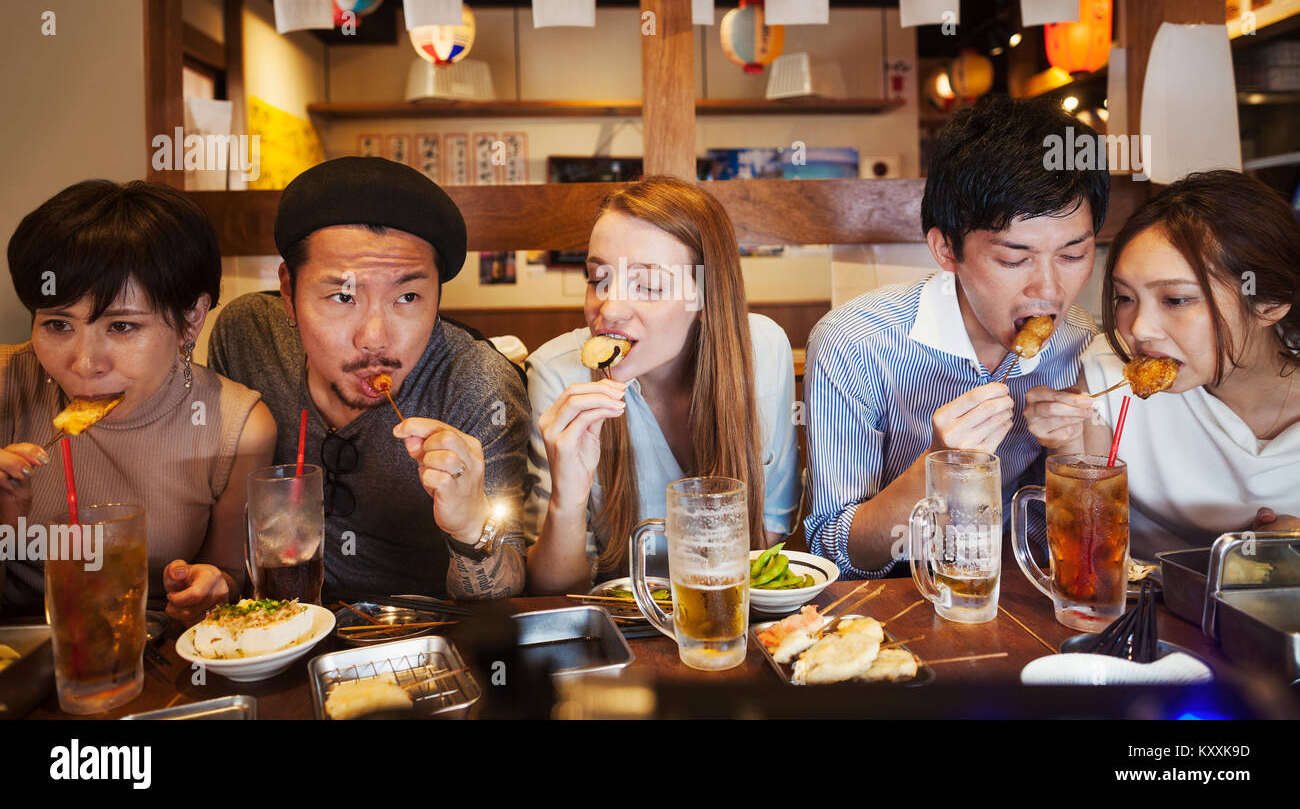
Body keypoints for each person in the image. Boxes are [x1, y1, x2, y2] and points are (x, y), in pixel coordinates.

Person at [805, 95, 1110, 578]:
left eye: (1073, 256)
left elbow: (1077, 552)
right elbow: (835, 551)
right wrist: (938, 468)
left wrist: (1069, 453)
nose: (1049, 290)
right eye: (1013, 259)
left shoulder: (1082, 345)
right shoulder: (855, 343)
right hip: (899, 606)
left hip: (1019, 600)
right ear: (946, 248)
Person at [207, 157, 529, 600]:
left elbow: (503, 592)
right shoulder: (247, 337)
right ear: (288, 290)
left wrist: (472, 527)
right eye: (343, 296)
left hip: (420, 641)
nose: (375, 339)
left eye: (408, 297)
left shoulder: (476, 383)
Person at [0, 181, 276, 622]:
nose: (85, 363)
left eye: (122, 327)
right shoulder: (7, 384)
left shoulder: (236, 427)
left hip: (152, 651)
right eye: (57, 324)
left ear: (191, 319)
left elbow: (225, 579)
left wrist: (208, 588)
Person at [524, 177, 800, 593]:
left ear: (706, 297)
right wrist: (568, 498)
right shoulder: (558, 373)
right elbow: (553, 592)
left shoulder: (762, 351)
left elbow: (766, 537)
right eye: (597, 278)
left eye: (648, 285)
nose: (609, 309)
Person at [1025, 170, 1300, 557]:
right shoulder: (1109, 373)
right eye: (1124, 298)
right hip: (1143, 609)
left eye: (1175, 300)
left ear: (1270, 301)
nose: (1139, 328)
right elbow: (1084, 553)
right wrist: (1066, 441)